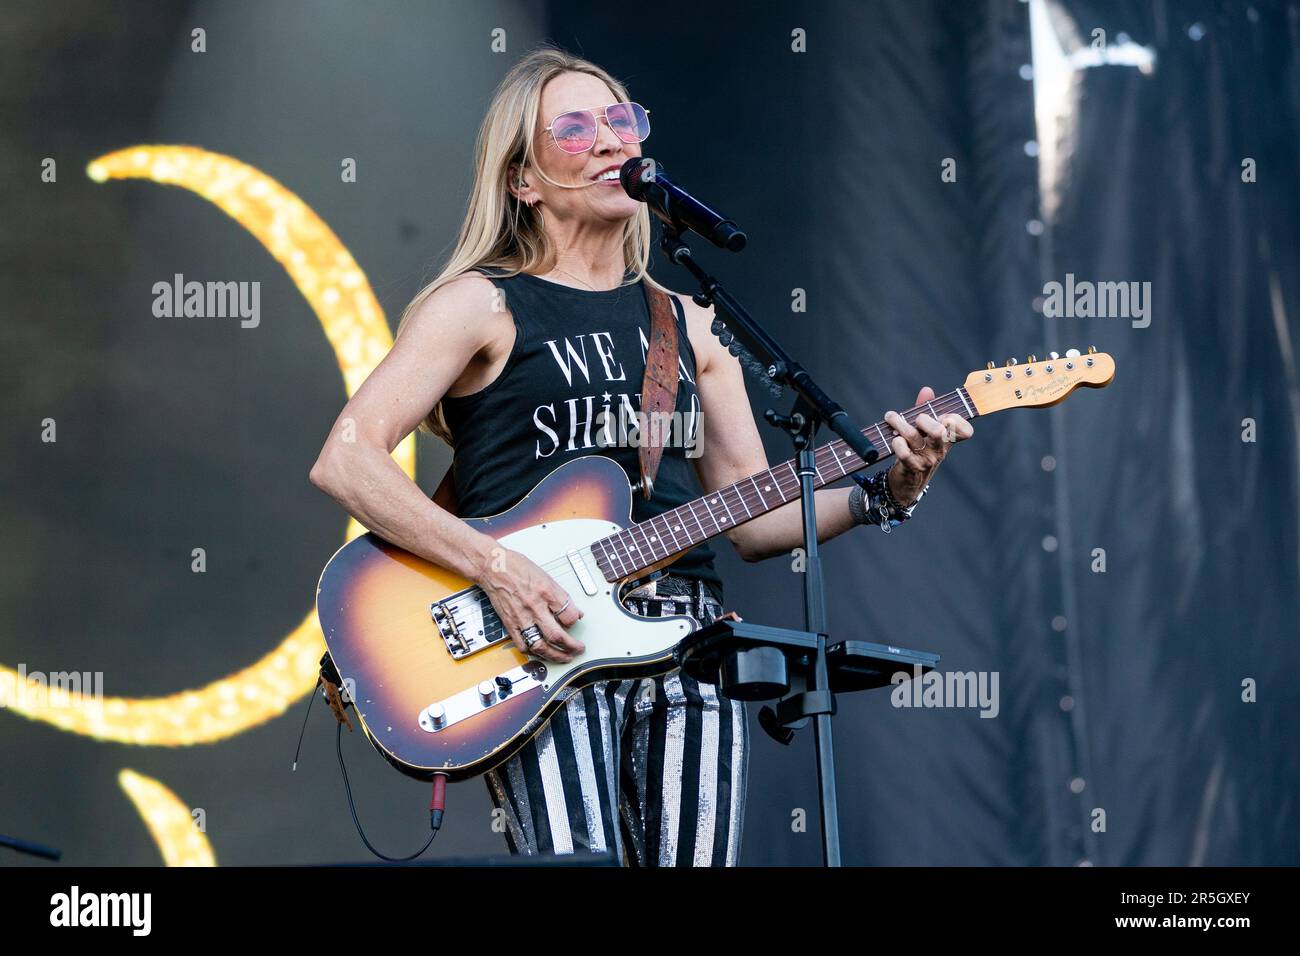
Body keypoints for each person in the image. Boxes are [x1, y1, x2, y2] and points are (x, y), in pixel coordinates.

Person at [308, 44, 973, 867]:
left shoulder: (688, 323)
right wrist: (497, 568)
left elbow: (756, 520)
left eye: (623, 121)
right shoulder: (479, 304)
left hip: (688, 648)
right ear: (524, 178)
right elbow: (348, 460)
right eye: (577, 127)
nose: (613, 140)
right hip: (539, 641)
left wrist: (892, 492)